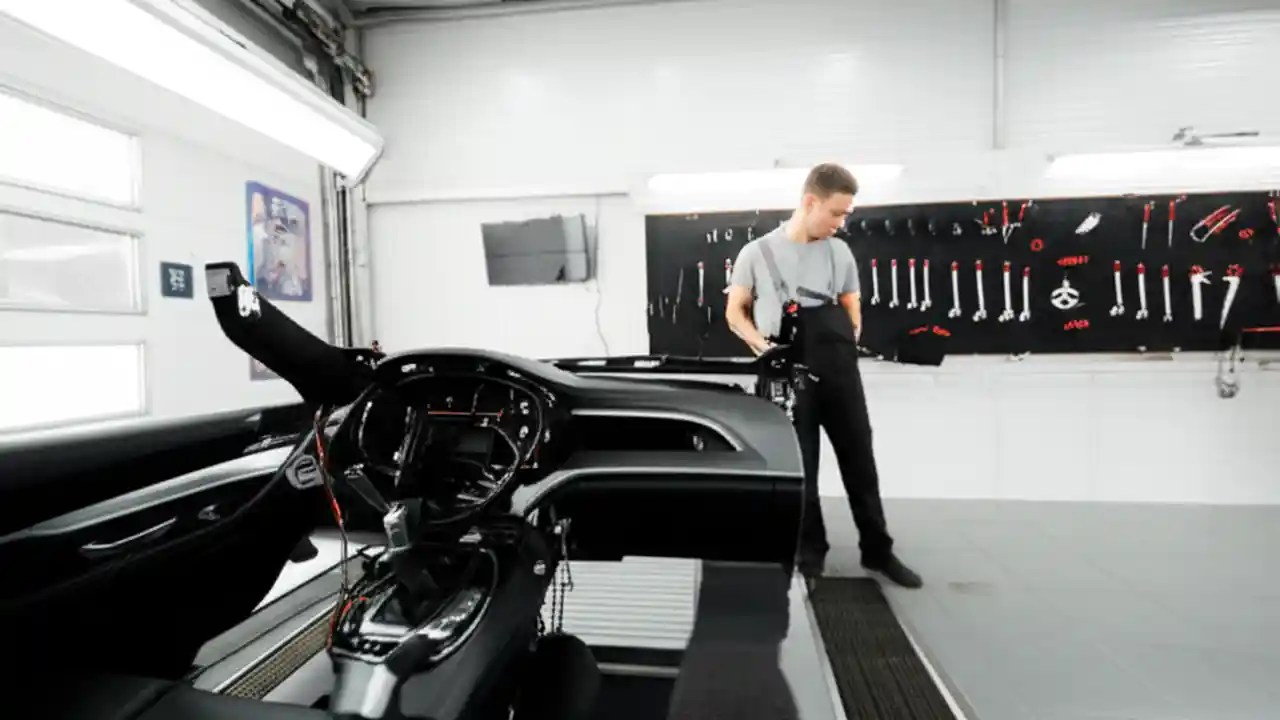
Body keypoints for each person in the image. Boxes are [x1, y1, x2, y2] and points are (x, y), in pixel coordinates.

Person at [725, 163, 922, 589]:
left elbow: (852, 304)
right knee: (802, 465)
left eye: (846, 214)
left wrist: (848, 338)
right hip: (786, 367)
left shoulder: (839, 253)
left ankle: (878, 551)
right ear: (810, 202)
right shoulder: (756, 254)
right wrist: (762, 345)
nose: (841, 222)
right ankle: (809, 555)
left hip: (838, 366)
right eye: (836, 213)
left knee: (860, 460)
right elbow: (734, 312)